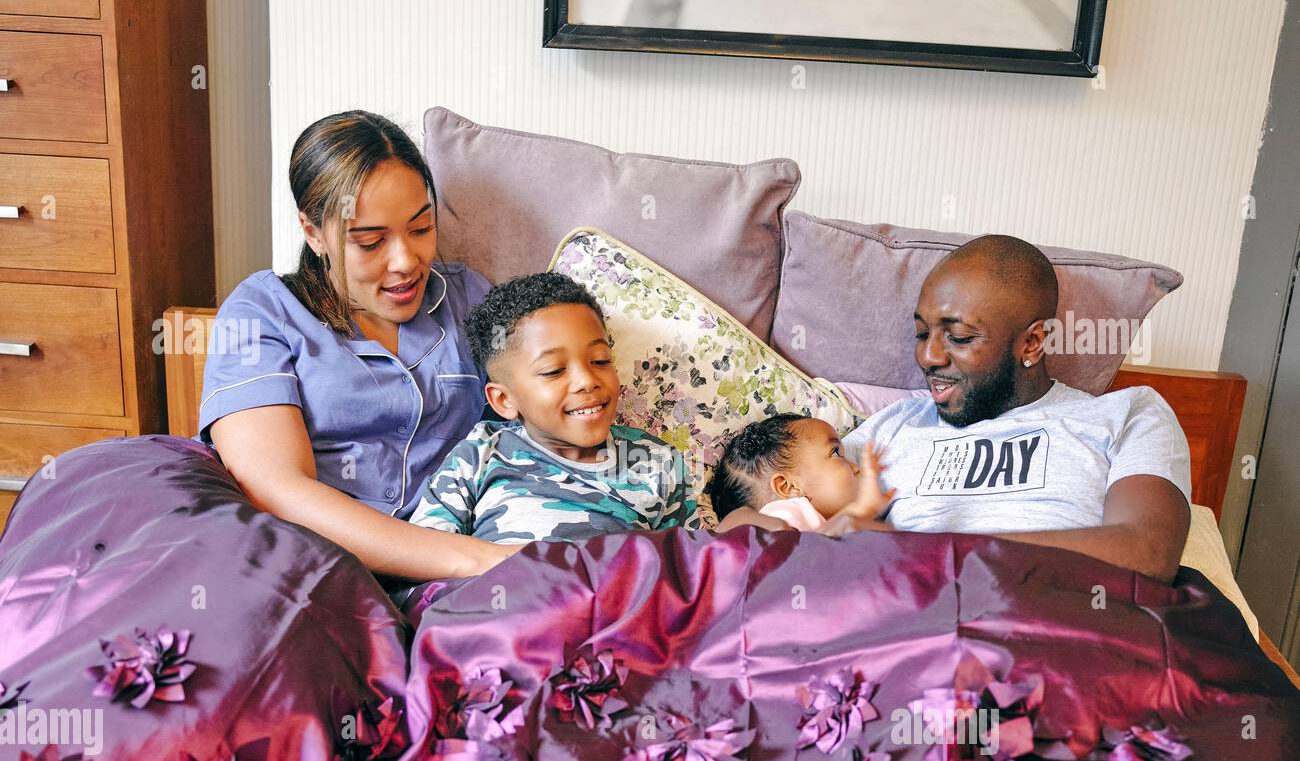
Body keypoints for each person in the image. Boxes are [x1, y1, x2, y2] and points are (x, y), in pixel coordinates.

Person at [198, 111, 519, 582]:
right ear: (313, 233)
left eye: (421, 228)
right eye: (370, 242)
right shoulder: (262, 312)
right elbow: (276, 488)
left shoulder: (469, 299)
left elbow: (538, 424)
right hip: (318, 568)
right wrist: (475, 560)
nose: (406, 262)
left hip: (459, 563)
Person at [834, 234, 1192, 582]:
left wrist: (909, 546)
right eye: (922, 333)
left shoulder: (1126, 415)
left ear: (1032, 343)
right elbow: (783, 501)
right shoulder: (894, 425)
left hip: (1047, 623)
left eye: (959, 338)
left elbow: (1147, 554)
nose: (928, 357)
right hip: (904, 617)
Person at [409, 272, 699, 543]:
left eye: (599, 361)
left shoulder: (657, 461)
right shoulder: (479, 455)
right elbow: (424, 556)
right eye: (553, 371)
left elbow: (692, 570)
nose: (587, 381)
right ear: (504, 400)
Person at [707, 414, 893, 532]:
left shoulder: (814, 522)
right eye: (836, 453)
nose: (856, 466)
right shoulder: (784, 514)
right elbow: (801, 555)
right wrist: (863, 509)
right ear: (788, 486)